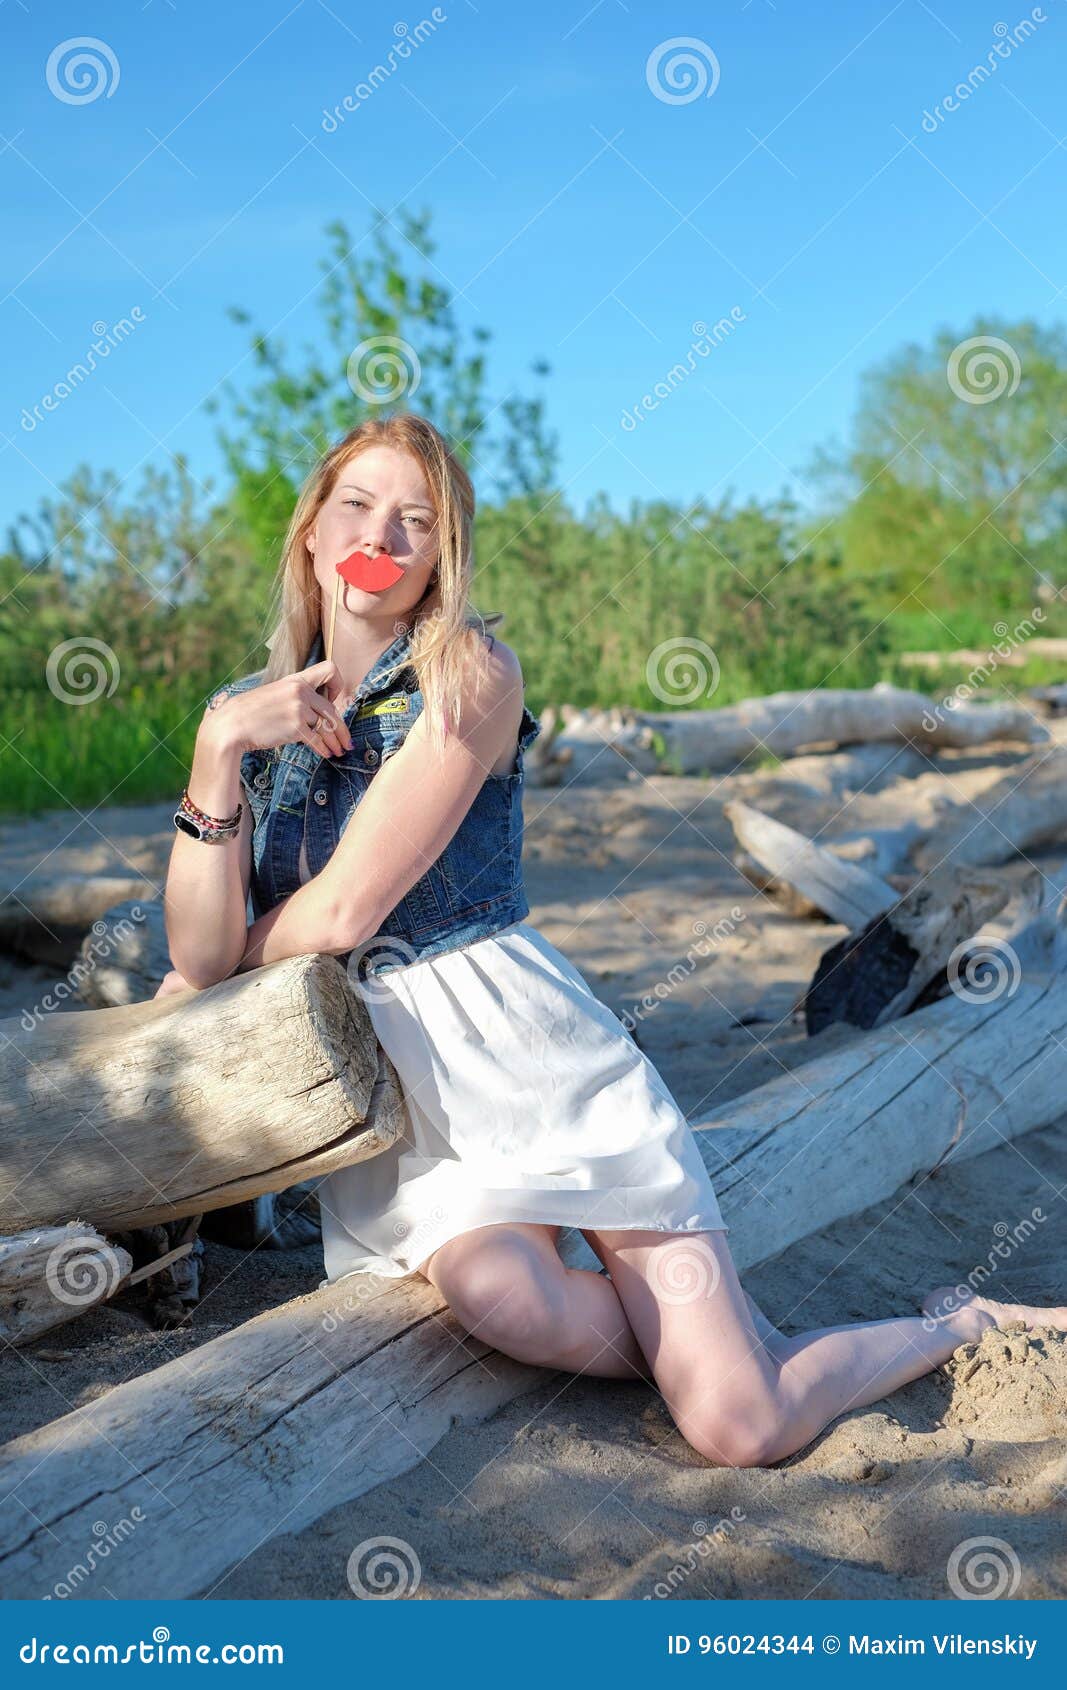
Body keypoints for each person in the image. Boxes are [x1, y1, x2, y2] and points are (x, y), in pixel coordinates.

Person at [161, 413, 1067, 1470]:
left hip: (530, 1069)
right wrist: (216, 750)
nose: (382, 537)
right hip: (406, 1110)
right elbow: (196, 943)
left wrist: (210, 971)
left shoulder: (470, 675)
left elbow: (336, 919)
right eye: (358, 506)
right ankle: (725, 1348)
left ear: (440, 557)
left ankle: (952, 1323)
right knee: (504, 1294)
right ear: (314, 532)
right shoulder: (247, 717)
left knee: (740, 1427)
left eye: (417, 520)